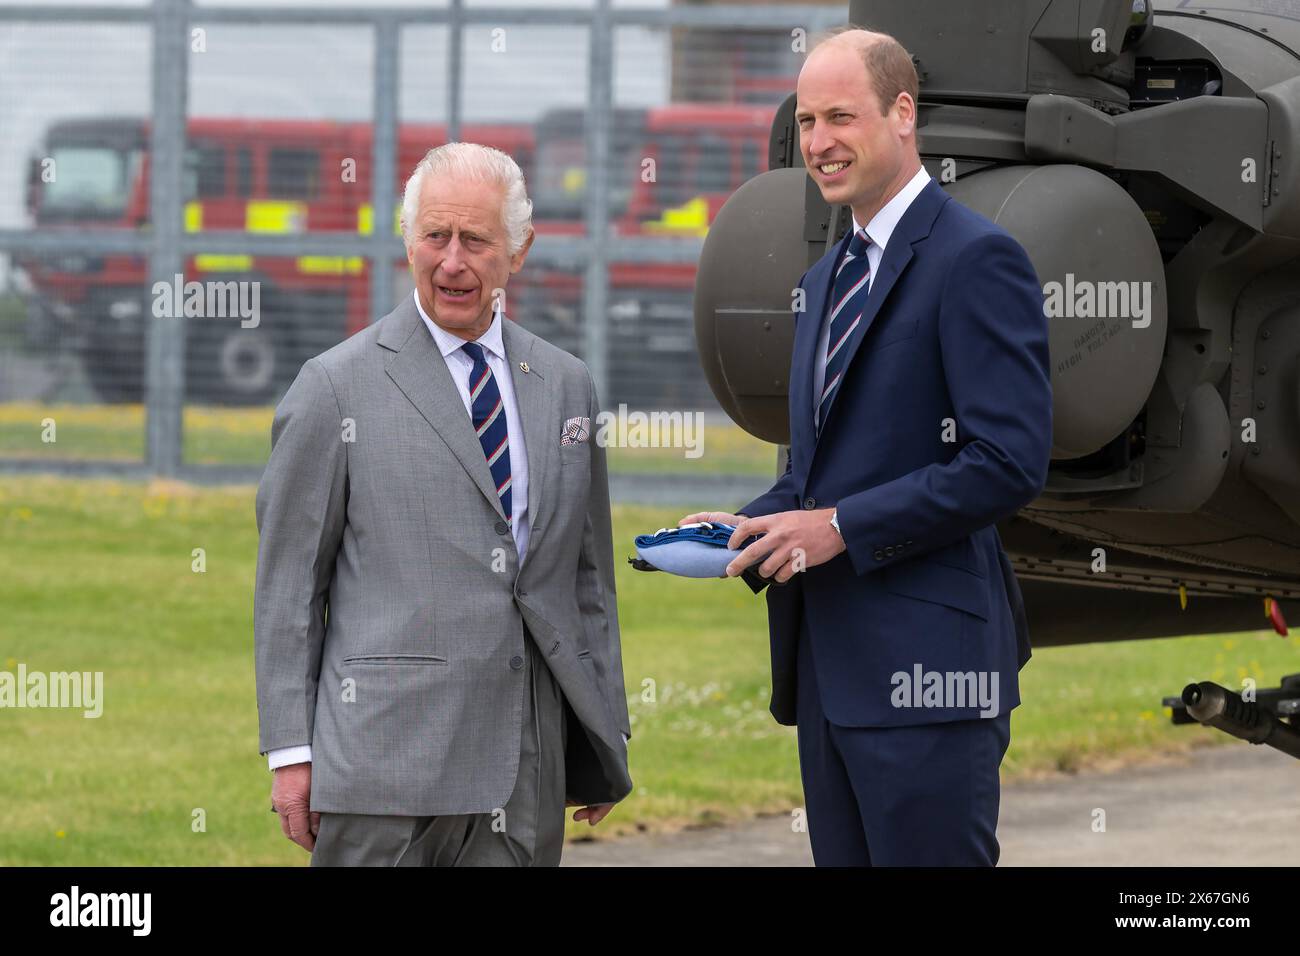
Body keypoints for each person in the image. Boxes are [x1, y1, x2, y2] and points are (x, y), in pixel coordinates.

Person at [682, 26, 1052, 866]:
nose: (818, 142)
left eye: (840, 117)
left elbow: (1007, 462)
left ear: (903, 113)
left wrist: (840, 527)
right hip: (830, 674)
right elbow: (820, 476)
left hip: (932, 678)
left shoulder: (978, 260)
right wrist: (743, 527)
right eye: (807, 121)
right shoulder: (825, 279)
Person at [255, 141, 631, 866]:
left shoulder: (566, 385)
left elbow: (586, 578)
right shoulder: (333, 388)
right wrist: (291, 753)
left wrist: (602, 725)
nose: (452, 262)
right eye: (435, 236)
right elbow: (289, 589)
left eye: (476, 240)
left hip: (522, 772)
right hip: (380, 772)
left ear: (519, 250)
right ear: (409, 241)